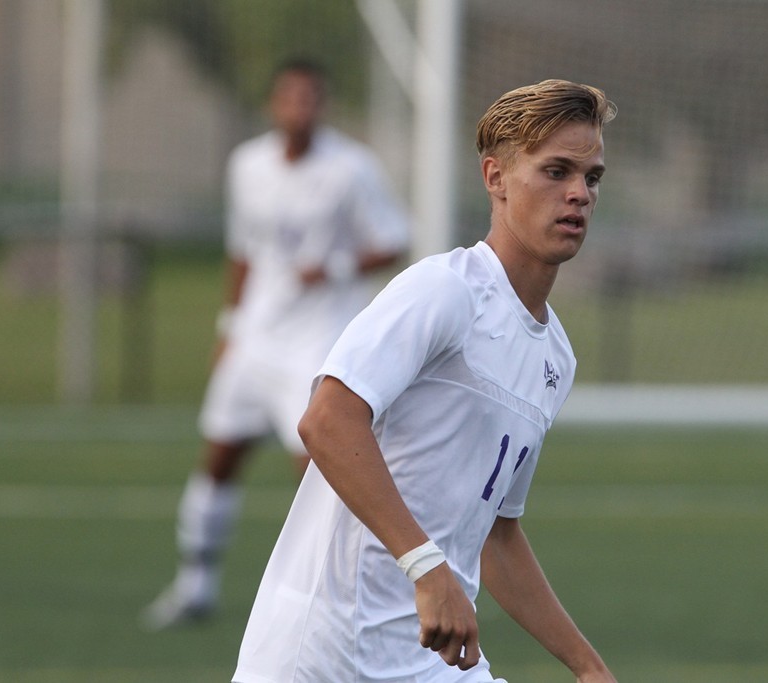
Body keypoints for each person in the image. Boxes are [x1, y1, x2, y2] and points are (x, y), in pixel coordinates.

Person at [232, 79, 618, 682]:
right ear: (495, 178)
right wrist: (428, 568)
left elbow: (495, 535)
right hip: (322, 651)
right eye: (556, 172)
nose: (578, 194)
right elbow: (326, 421)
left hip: (431, 657)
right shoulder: (445, 290)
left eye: (591, 177)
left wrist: (588, 667)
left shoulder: (556, 357)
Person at [141, 58, 409, 630]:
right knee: (219, 457)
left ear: (323, 105)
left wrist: (335, 266)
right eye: (289, 98)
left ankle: (337, 595)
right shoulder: (248, 164)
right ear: (273, 105)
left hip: (316, 343)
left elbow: (393, 241)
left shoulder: (351, 168)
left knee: (321, 472)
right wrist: (230, 327)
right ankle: (196, 585)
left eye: (311, 98)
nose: (299, 109)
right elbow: (242, 251)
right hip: (255, 340)